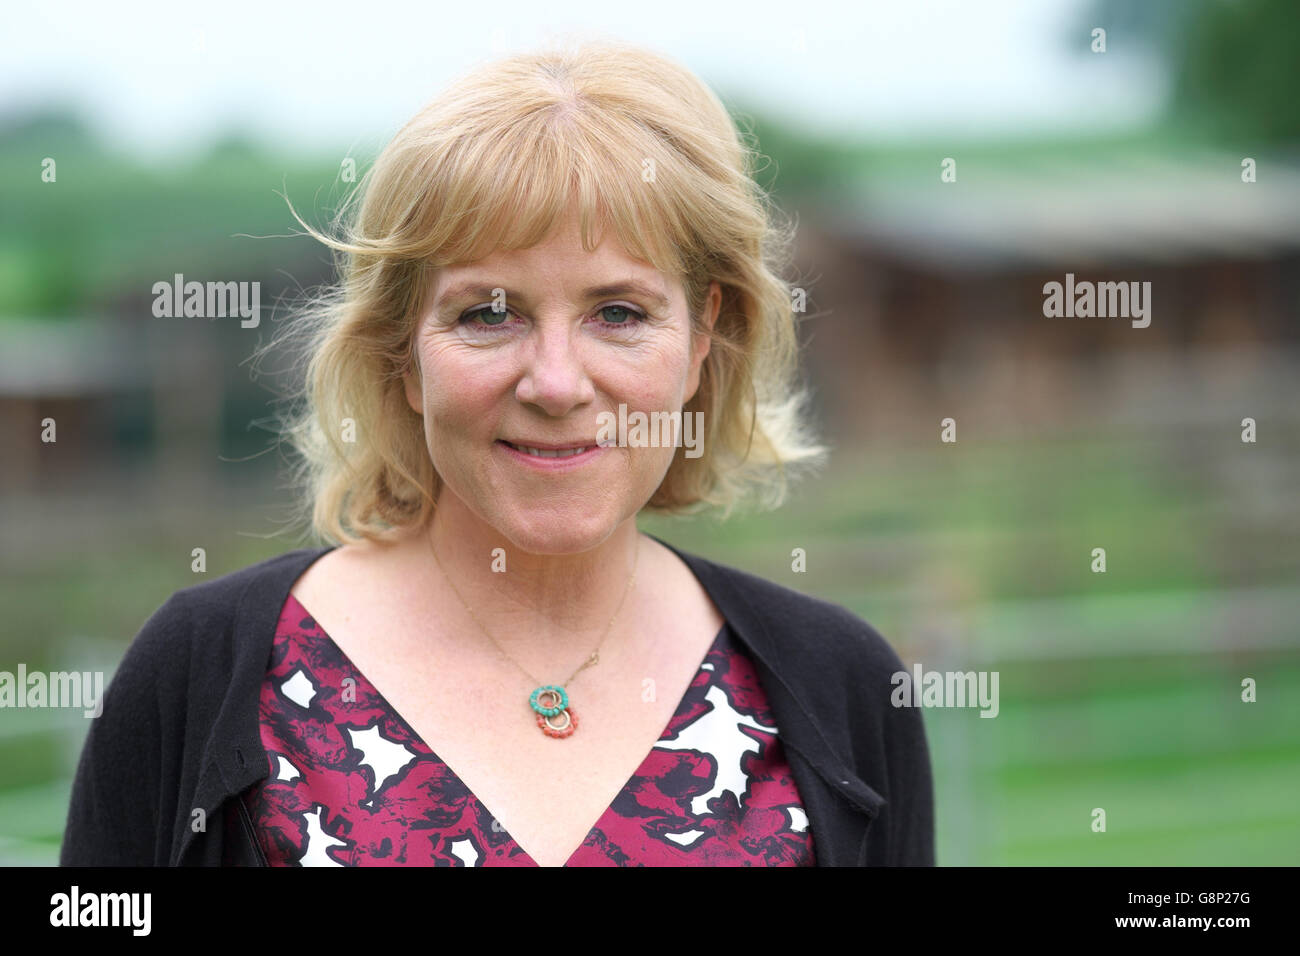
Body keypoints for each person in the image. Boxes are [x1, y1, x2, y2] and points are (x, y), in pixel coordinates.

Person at [60, 37, 934, 867]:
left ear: (705, 336)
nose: (556, 383)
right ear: (402, 353)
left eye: (619, 313)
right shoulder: (203, 675)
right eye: (488, 313)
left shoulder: (842, 690)